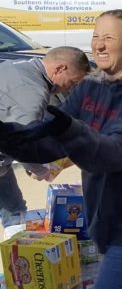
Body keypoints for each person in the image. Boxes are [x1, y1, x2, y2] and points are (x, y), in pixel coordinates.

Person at [0, 9, 122, 289]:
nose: (98, 45)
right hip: (107, 215)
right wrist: (9, 136)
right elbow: (49, 138)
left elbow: (121, 152)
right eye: (96, 36)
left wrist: (70, 130)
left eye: (108, 37)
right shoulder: (91, 86)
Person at [0, 47, 90, 230]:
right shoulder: (32, 92)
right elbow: (25, 142)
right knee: (15, 214)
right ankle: (18, 255)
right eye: (72, 82)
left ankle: (17, 252)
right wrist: (41, 171)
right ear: (59, 69)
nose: (70, 89)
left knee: (15, 210)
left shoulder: (16, 67)